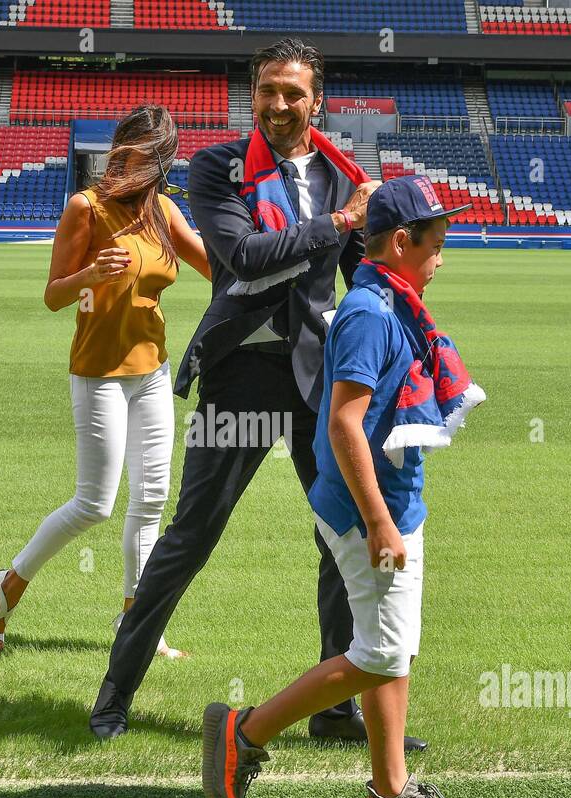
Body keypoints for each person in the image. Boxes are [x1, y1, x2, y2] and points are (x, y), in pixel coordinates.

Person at [89, 39, 427, 752]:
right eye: (267, 90)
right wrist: (340, 224)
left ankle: (339, 709)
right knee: (189, 538)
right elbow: (241, 260)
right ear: (254, 93)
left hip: (317, 379)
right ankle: (113, 697)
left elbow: (363, 278)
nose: (278, 104)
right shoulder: (219, 167)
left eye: (293, 93)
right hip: (240, 377)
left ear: (317, 100)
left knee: (341, 536)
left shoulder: (345, 176)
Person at [201, 175, 486, 798]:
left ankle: (390, 793)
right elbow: (343, 424)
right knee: (379, 654)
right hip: (368, 511)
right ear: (399, 242)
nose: (442, 256)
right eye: (437, 244)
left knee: (393, 647)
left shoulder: (395, 299)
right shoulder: (370, 312)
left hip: (394, 501)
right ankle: (245, 732)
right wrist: (381, 521)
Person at [0, 104, 210, 657]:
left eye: (152, 156)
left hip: (152, 370)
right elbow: (55, 295)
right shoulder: (85, 207)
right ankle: (6, 588)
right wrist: (90, 275)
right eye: (133, 150)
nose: (138, 164)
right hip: (98, 373)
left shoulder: (164, 212)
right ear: (119, 147)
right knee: (95, 504)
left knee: (151, 499)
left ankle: (136, 623)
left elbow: (218, 265)